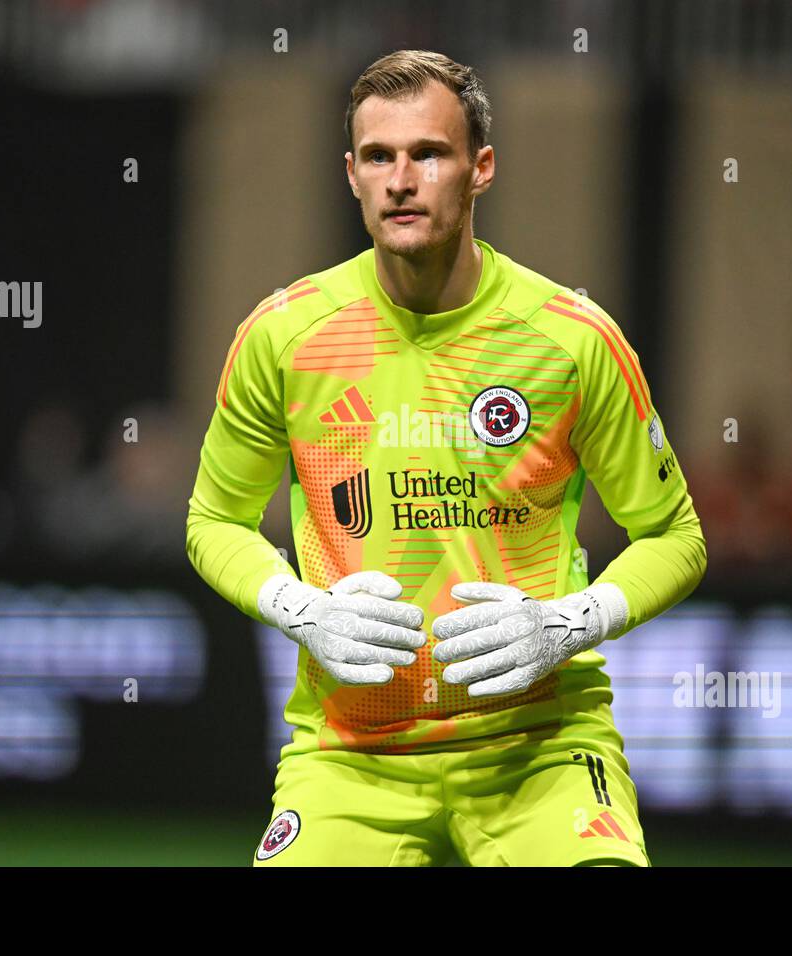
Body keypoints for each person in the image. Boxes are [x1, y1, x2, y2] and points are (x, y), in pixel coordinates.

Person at [186, 49, 707, 866]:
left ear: (481, 169)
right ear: (350, 174)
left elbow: (676, 535)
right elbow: (213, 520)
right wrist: (301, 609)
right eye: (378, 157)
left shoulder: (570, 339)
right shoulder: (284, 337)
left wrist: (567, 624)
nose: (401, 179)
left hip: (541, 746)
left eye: (428, 153)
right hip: (350, 755)